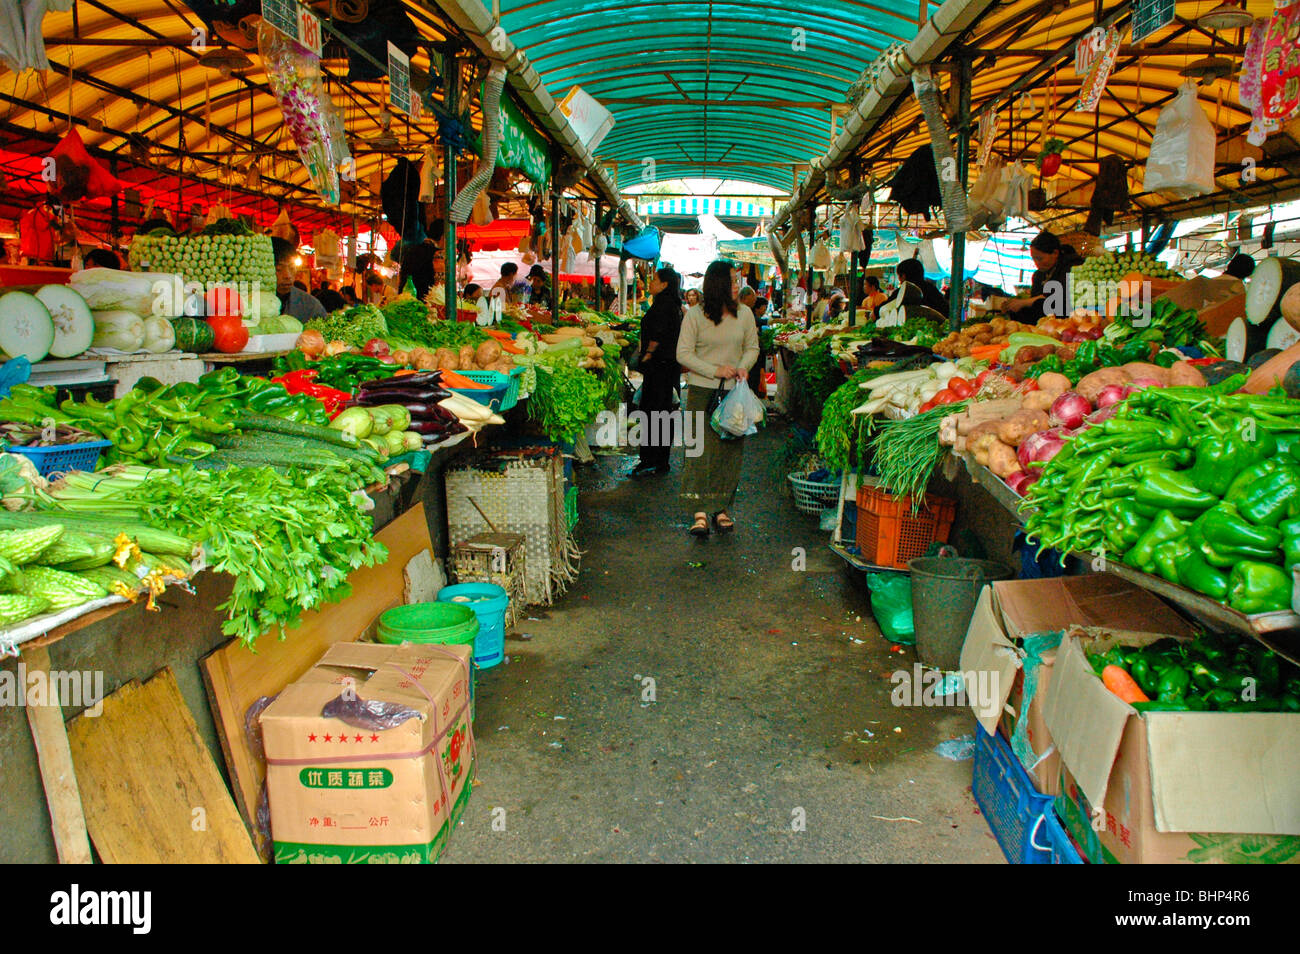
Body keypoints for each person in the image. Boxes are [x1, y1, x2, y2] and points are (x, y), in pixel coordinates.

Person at [677, 259, 760, 537]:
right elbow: (683, 354)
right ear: (719, 285)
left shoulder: (745, 314)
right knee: (699, 451)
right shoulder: (695, 315)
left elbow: (752, 347)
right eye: (734, 281)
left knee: (729, 452)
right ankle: (699, 512)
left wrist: (742, 367)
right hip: (702, 391)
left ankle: (721, 509)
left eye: (737, 281)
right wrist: (715, 370)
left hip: (734, 394)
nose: (738, 286)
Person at [630, 266, 684, 479]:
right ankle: (657, 460)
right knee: (660, 412)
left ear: (664, 285)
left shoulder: (664, 306)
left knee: (655, 412)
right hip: (665, 368)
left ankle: (653, 460)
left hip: (660, 367)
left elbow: (658, 333)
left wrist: (648, 354)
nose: (650, 283)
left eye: (654, 280)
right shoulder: (670, 304)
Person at [1006, 230, 1084, 321]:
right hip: (1045, 317)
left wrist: (1025, 302)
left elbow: (1059, 296)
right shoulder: (1038, 275)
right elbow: (1035, 300)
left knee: (1040, 304)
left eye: (1040, 259)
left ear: (1055, 253)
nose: (1036, 263)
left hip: (1067, 315)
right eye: (1034, 259)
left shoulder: (1072, 266)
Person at [273, 238, 327, 322]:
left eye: (292, 268)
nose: (288, 276)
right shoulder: (251, 302)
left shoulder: (310, 305)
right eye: (278, 269)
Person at [883, 258, 948, 316]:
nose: (899, 279)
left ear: (904, 276)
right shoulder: (931, 289)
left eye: (900, 276)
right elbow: (945, 309)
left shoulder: (903, 291)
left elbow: (882, 308)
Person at [747, 296, 771, 395]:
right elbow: (759, 321)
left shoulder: (754, 317)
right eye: (764, 307)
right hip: (753, 356)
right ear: (757, 307)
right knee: (754, 377)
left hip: (756, 355)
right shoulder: (752, 316)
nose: (765, 309)